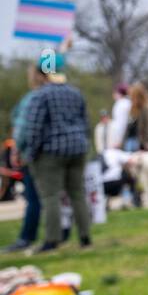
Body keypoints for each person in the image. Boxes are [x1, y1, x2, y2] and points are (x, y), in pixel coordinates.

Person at [21, 51, 94, 254]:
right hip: (77, 149)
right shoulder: (75, 92)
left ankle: (52, 241)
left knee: (50, 196)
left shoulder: (40, 95)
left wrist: (31, 153)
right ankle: (85, 238)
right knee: (77, 194)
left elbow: (34, 127)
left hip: (51, 152)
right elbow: (85, 122)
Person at [3, 66, 46, 254]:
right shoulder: (53, 94)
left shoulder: (32, 98)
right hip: (53, 153)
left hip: (33, 154)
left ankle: (26, 237)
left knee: (33, 198)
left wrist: (16, 150)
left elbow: (21, 127)